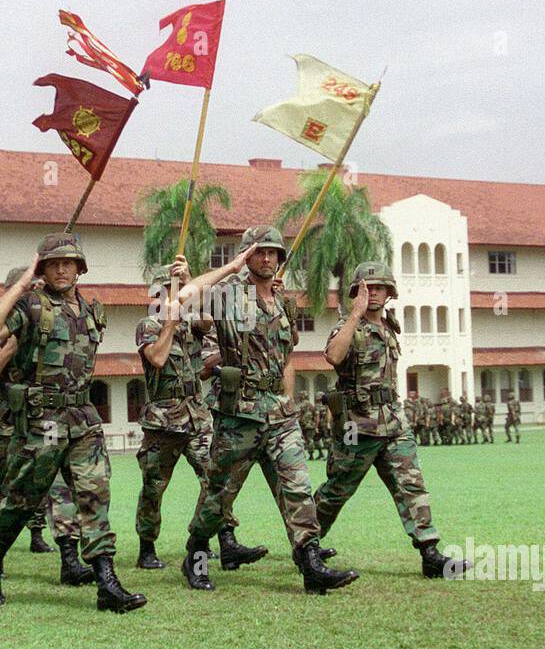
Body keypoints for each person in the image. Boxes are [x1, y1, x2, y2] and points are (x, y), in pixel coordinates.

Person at [173, 225, 358, 594]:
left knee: (297, 487)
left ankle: (311, 563)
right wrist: (231, 266)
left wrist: (288, 399)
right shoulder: (228, 296)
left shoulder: (282, 301)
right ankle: (196, 551)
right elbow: (186, 297)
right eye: (260, 252)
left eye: (274, 252)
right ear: (247, 256)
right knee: (219, 494)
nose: (268, 258)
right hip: (239, 415)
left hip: (279, 413)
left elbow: (286, 357)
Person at [0, 234, 145, 612]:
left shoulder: (90, 310)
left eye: (69, 262)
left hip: (82, 418)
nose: (62, 269)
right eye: (53, 263)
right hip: (42, 422)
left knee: (93, 495)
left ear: (80, 268)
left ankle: (106, 582)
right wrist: (21, 282)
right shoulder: (31, 305)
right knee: (21, 501)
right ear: (42, 269)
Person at [313, 263, 471, 578]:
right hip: (355, 428)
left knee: (411, 486)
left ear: (389, 293)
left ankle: (430, 552)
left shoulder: (389, 327)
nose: (373, 294)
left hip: (393, 424)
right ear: (356, 292)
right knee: (337, 489)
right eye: (366, 288)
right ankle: (307, 543)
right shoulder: (348, 327)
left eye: (379, 288)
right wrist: (355, 314)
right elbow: (333, 356)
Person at [133, 260, 263, 570]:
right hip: (163, 420)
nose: (175, 296)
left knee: (215, 477)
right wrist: (169, 321)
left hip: (196, 417)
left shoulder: (192, 323)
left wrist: (192, 281)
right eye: (169, 291)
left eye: (179, 291)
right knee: (154, 487)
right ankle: (147, 547)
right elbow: (159, 358)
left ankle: (226, 539)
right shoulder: (148, 325)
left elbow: (208, 320)